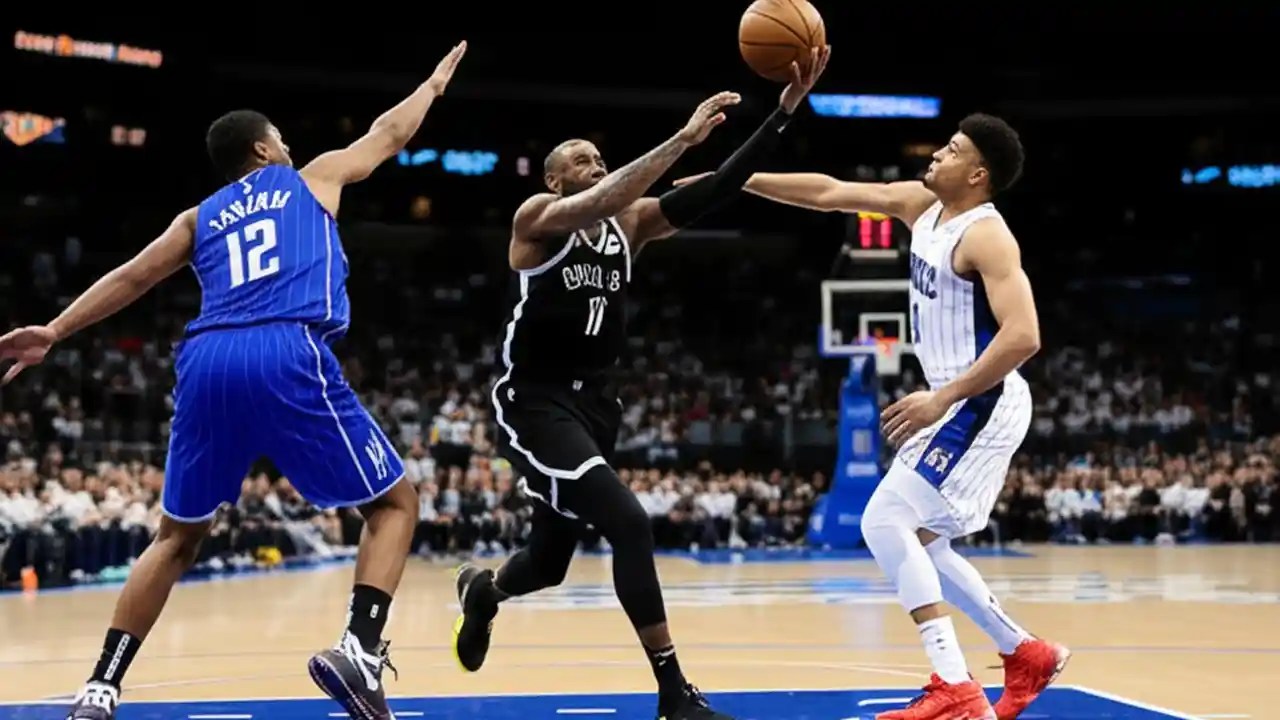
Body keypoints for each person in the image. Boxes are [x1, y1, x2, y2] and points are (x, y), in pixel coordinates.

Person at [0, 41, 468, 720]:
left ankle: (99, 687)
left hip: (206, 360)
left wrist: (54, 330)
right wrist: (431, 87)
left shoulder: (199, 216)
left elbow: (133, 276)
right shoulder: (311, 178)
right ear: (261, 149)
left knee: (175, 538)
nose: (289, 147)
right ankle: (360, 651)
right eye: (280, 140)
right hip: (285, 345)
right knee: (395, 505)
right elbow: (388, 133)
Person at [450, 48, 830, 720]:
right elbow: (606, 197)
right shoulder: (537, 217)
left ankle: (485, 592)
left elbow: (721, 186)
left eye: (599, 157)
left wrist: (783, 111)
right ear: (555, 179)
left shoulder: (630, 225)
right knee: (629, 522)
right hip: (534, 401)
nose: (596, 165)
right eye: (582, 160)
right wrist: (683, 139)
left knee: (548, 562)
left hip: (597, 405)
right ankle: (673, 691)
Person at [689, 114, 1069, 720]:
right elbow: (828, 192)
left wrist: (943, 398)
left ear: (978, 174)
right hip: (958, 403)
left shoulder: (987, 236)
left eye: (952, 150)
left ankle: (955, 685)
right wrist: (738, 177)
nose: (937, 154)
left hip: (980, 402)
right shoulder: (921, 205)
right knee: (924, 542)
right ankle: (1025, 652)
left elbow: (1024, 335)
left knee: (884, 519)